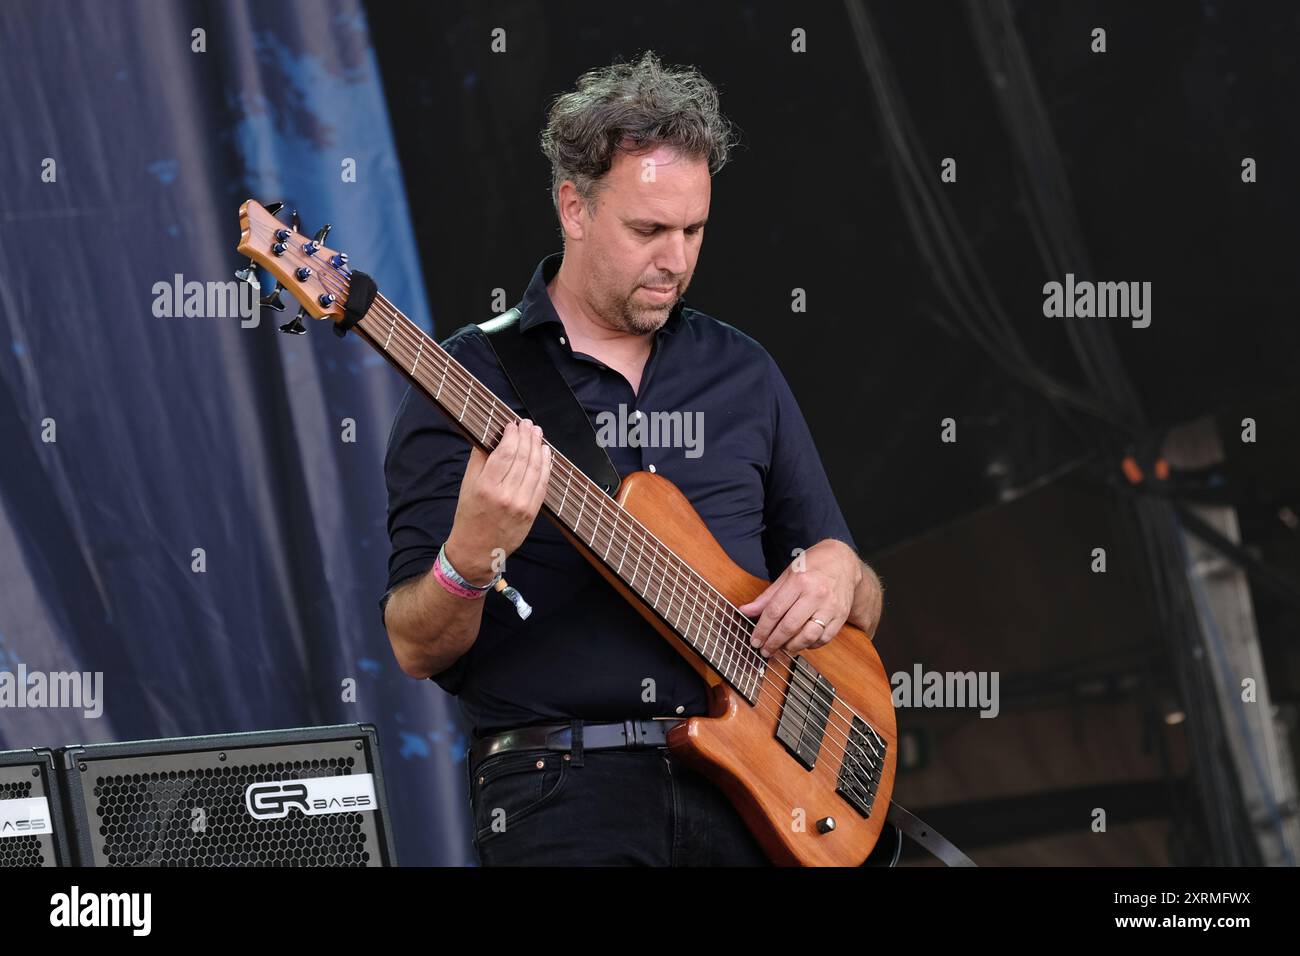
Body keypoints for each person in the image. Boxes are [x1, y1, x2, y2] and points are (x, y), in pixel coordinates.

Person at [380, 50, 883, 866]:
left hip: (751, 792)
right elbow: (415, 645)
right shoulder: (466, 382)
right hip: (561, 789)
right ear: (573, 206)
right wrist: (469, 558)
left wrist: (841, 573)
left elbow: (859, 601)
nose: (676, 260)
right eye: (648, 231)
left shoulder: (743, 372)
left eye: (694, 230)